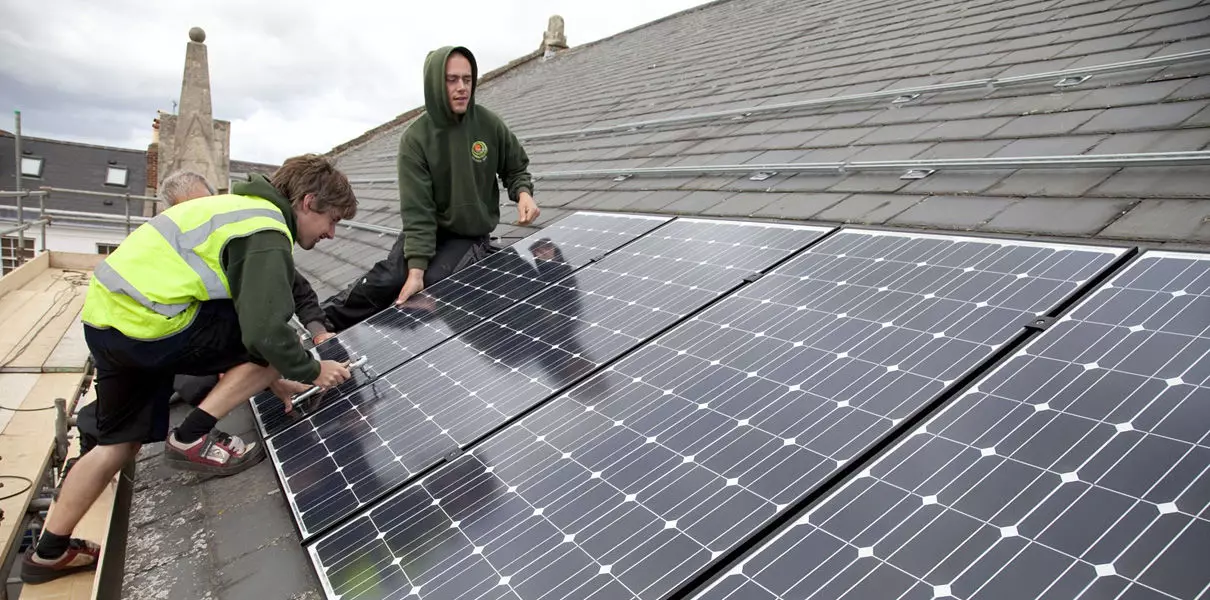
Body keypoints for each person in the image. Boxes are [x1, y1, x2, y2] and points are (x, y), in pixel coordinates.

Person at [21, 154, 356, 584]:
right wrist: (313, 369)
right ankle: (192, 434)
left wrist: (275, 378)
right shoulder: (267, 228)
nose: (331, 234)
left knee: (117, 444)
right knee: (276, 337)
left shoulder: (236, 207)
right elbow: (265, 335)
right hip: (153, 325)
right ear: (307, 202)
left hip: (110, 320)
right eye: (331, 220)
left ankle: (48, 553)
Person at [322, 45, 540, 331]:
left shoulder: (488, 125)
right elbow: (419, 212)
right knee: (389, 279)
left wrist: (523, 193)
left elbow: (515, 167)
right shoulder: (416, 139)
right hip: (429, 229)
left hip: (469, 235)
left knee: (437, 285)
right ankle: (322, 324)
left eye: (467, 79)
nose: (462, 87)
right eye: (452, 80)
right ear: (435, 83)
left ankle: (394, 340)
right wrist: (415, 270)